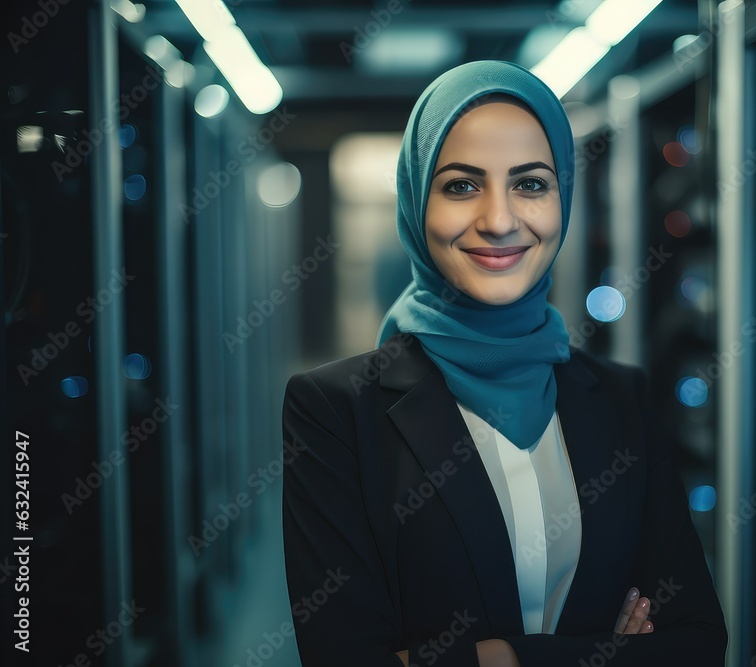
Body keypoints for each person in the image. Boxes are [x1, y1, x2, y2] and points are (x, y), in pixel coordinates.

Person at [281, 60, 727, 667]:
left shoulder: (623, 398)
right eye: (461, 185)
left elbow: (697, 643)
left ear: (563, 195)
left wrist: (499, 658)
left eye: (531, 184)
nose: (497, 220)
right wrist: (602, 653)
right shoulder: (334, 411)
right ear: (416, 201)